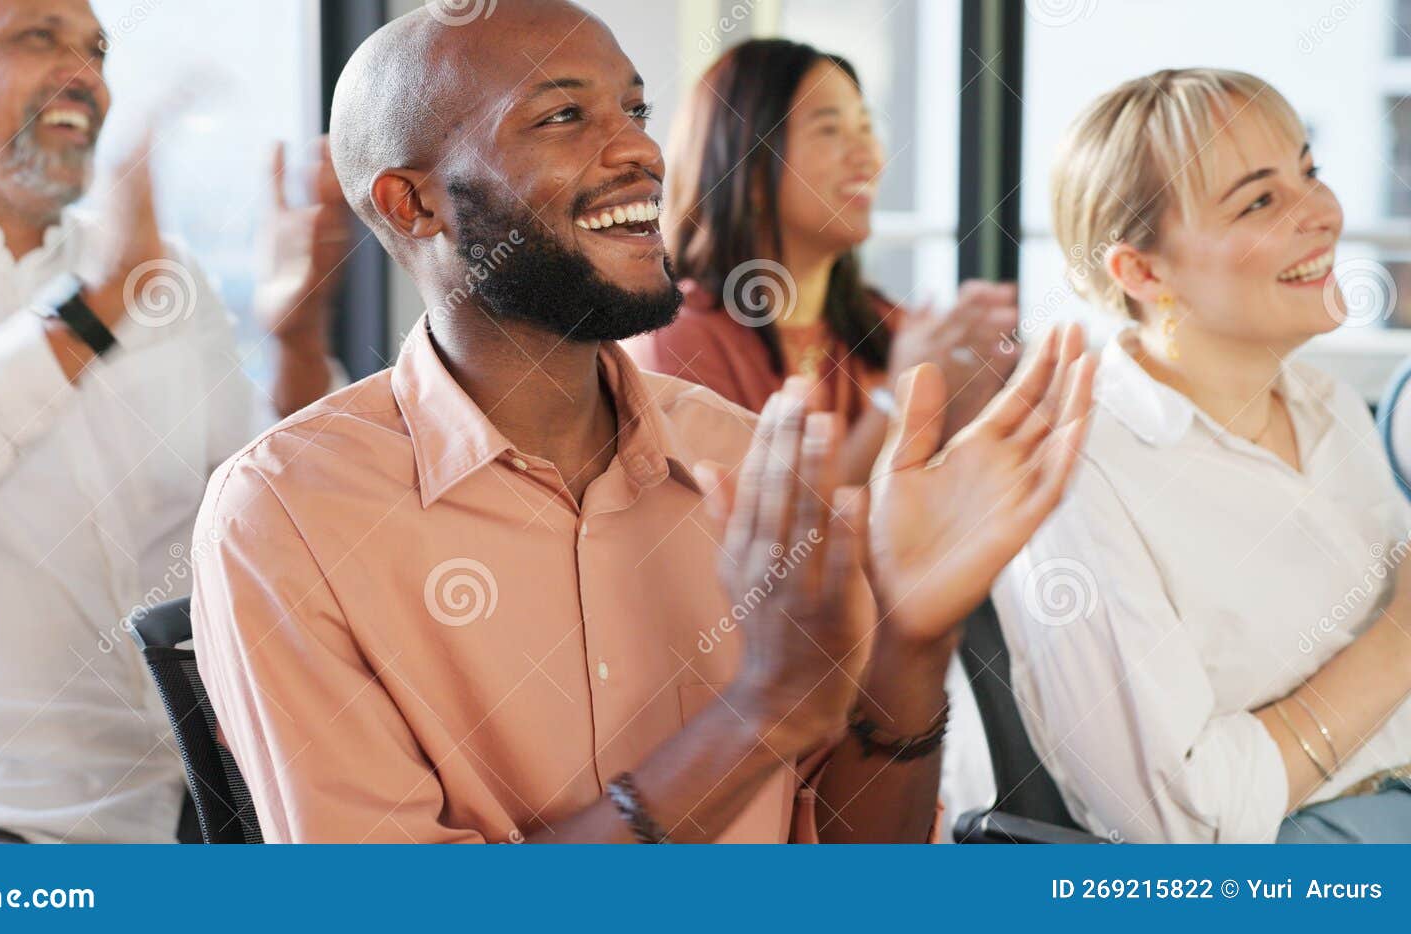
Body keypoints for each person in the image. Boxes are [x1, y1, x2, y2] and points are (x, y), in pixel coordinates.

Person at [192, 0, 1095, 844]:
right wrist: (761, 712)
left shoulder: (740, 459)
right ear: (413, 204)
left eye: (635, 108)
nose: (641, 153)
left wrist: (911, 644)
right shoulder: (288, 516)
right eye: (562, 118)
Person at [0, 0, 347, 843]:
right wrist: (85, 314)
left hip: (195, 821)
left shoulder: (160, 277)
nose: (86, 76)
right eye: (38, 37)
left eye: (94, 49)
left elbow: (284, 533)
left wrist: (300, 338)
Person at [992, 68, 1411, 844]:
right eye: (1260, 199)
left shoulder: (1331, 406)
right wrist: (1399, 645)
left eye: (1309, 172)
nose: (1321, 213)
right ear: (1142, 272)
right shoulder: (1080, 480)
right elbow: (1181, 827)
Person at [623, 38, 1018, 475]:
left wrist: (975, 398)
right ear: (750, 169)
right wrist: (896, 402)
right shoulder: (679, 339)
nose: (867, 156)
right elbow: (767, 535)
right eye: (830, 130)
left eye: (867, 128)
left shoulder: (890, 328)